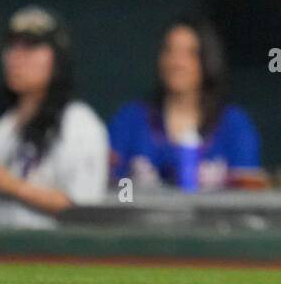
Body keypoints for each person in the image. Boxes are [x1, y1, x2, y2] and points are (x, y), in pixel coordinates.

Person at [0, 6, 107, 229]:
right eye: (12, 46)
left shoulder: (80, 124)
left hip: (49, 256)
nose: (15, 57)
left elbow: (83, 211)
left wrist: (13, 186)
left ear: (57, 59)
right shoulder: (1, 126)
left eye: (30, 46)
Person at [108, 19, 267, 192]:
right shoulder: (130, 120)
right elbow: (106, 186)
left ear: (207, 61)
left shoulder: (233, 124)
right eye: (169, 51)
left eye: (189, 53)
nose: (176, 62)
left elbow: (248, 196)